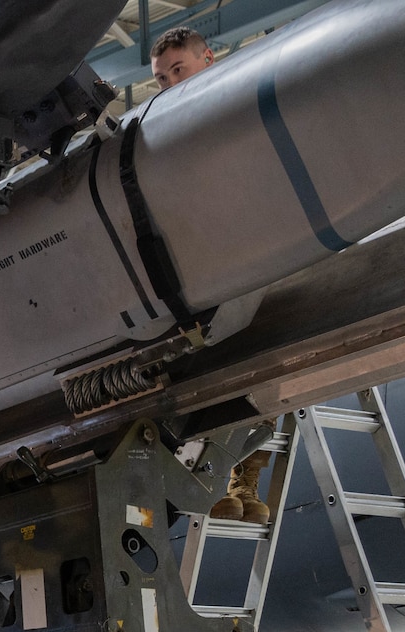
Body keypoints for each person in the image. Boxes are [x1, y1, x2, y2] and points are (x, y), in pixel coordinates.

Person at [148, 27, 270, 525]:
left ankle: (241, 481)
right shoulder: (165, 125)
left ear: (207, 58)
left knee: (253, 371)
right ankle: (220, 481)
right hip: (211, 263)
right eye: (159, 77)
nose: (169, 82)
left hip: (251, 250)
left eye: (178, 69)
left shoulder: (232, 102)